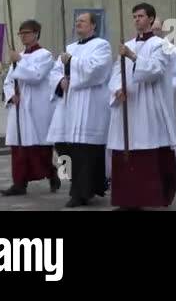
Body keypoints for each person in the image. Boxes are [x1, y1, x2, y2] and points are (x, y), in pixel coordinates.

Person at [108, 3, 176, 210]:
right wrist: (117, 89)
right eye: (134, 16)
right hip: (128, 106)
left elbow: (155, 71)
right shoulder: (128, 44)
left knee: (146, 153)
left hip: (148, 107)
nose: (136, 19)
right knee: (125, 152)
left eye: (140, 16)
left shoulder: (161, 45)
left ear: (151, 19)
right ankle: (126, 200)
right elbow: (116, 71)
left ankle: (149, 197)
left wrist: (132, 56)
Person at [47, 12, 112, 208]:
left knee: (85, 151)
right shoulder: (70, 48)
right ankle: (72, 181)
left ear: (93, 26)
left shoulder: (101, 45)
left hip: (88, 104)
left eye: (82, 21)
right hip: (67, 105)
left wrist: (72, 62)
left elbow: (97, 71)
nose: (78, 24)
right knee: (61, 146)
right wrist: (60, 81)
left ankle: (80, 193)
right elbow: (55, 71)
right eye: (76, 22)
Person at [0, 20, 59, 197]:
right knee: (18, 147)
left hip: (37, 107)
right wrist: (11, 95)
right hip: (19, 107)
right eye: (21, 33)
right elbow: (9, 80)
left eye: (26, 32)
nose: (23, 36)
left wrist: (20, 61)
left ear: (36, 33)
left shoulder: (45, 55)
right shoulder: (18, 55)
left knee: (38, 148)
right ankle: (19, 183)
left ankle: (51, 173)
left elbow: (36, 76)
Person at [151, 17, 176, 141]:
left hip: (165, 97)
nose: (155, 32)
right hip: (146, 97)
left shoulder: (174, 51)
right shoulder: (142, 49)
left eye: (157, 29)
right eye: (152, 29)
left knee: (165, 132)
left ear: (163, 29)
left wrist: (164, 89)